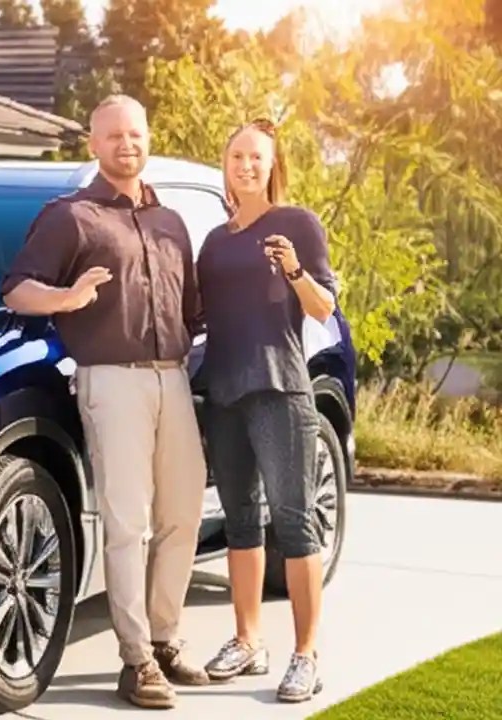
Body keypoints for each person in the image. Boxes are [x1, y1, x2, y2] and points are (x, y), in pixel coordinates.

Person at [0, 94, 209, 710]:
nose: (127, 144)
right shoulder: (71, 217)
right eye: (114, 135)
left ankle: (166, 638)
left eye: (136, 134)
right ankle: (136, 659)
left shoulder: (170, 221)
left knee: (184, 514)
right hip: (110, 380)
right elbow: (17, 290)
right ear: (93, 144)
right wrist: (66, 300)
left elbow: (193, 309)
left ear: (148, 138)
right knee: (129, 523)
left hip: (172, 376)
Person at [195, 117, 338, 703]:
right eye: (236, 157)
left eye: (256, 157)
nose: (245, 165)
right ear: (225, 165)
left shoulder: (297, 223)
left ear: (271, 165)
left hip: (280, 391)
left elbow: (324, 308)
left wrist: (294, 269)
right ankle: (247, 640)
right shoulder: (216, 240)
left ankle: (306, 655)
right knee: (241, 522)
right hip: (224, 393)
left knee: (296, 522)